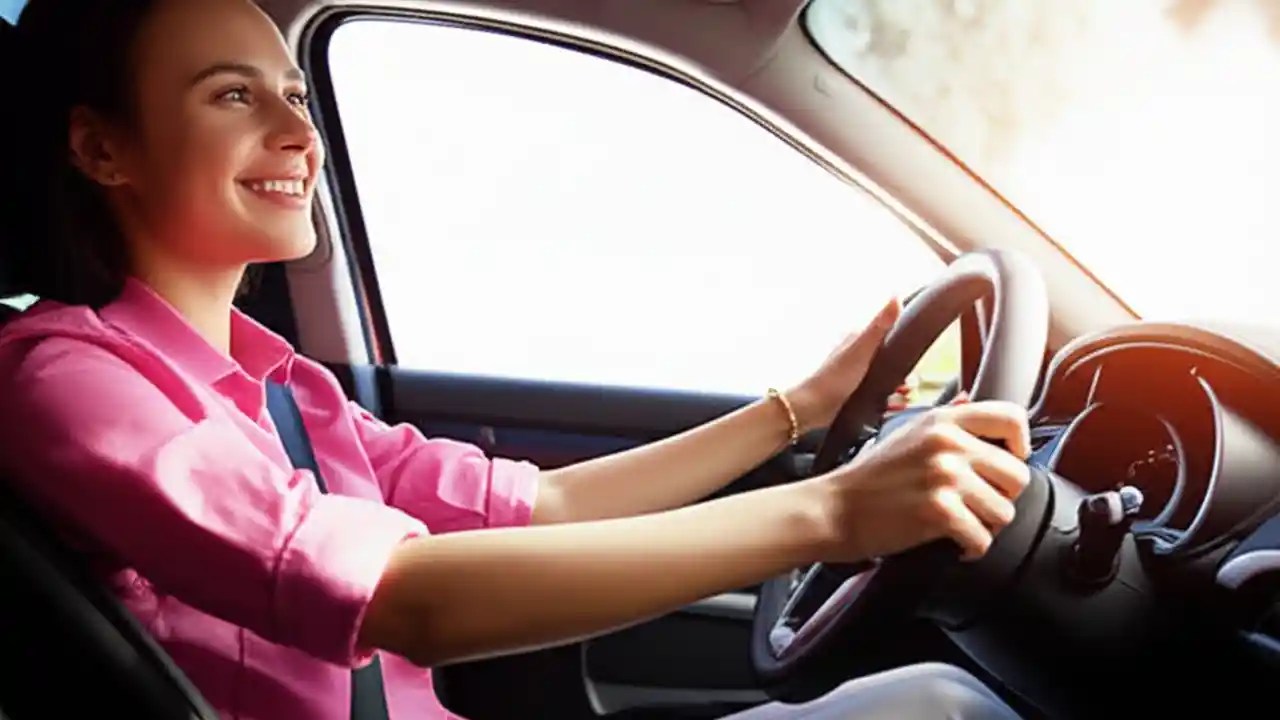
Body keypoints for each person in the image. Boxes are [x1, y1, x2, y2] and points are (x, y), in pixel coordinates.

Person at [0, 1, 1030, 718]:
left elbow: (547, 510)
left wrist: (794, 413)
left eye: (294, 95)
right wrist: (834, 513)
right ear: (101, 150)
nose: (296, 134)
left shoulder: (283, 386)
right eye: (234, 97)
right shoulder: (63, 381)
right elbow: (406, 597)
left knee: (935, 702)